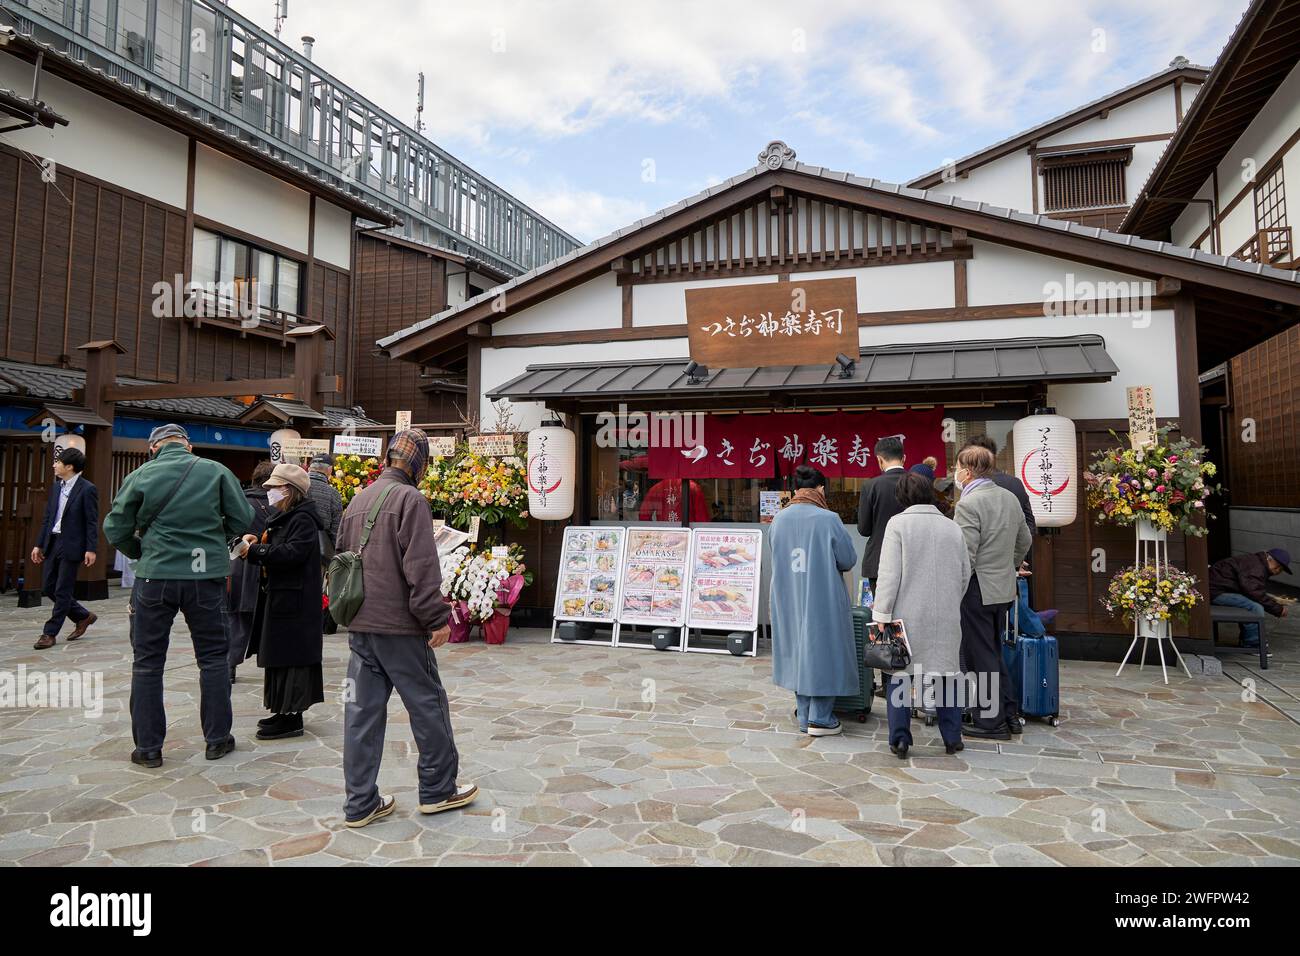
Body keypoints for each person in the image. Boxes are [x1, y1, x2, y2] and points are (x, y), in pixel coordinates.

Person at [335, 428, 477, 827]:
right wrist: (436, 618)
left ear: (386, 458)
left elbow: (342, 558)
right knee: (428, 706)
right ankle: (438, 790)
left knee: (361, 715)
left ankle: (359, 803)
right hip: (400, 627)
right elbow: (421, 567)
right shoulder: (411, 499)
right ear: (418, 465)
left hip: (361, 626)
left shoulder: (357, 501)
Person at [103, 424, 254, 768]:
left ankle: (149, 749)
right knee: (214, 658)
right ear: (187, 445)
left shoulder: (140, 475)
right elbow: (243, 518)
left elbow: (115, 527)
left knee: (147, 663)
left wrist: (140, 552)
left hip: (155, 577)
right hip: (206, 577)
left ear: (153, 447)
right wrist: (216, 540)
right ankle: (217, 740)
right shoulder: (215, 471)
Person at [870, 472, 971, 757]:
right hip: (947, 616)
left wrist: (882, 614)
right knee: (947, 675)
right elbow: (965, 573)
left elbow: (889, 574)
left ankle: (901, 739)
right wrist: (951, 601)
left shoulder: (898, 524)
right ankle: (953, 738)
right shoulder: (952, 527)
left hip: (906, 615)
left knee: (900, 676)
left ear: (902, 497)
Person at [769, 465, 860, 737]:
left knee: (797, 649)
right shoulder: (828, 518)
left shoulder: (779, 519)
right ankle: (820, 717)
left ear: (795, 489)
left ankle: (804, 714)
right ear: (821, 488)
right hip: (823, 596)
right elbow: (847, 559)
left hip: (787, 596)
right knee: (824, 651)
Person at [239, 463, 325, 740]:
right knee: (280, 658)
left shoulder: (303, 519)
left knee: (292, 659)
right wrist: (258, 541)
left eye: (275, 488)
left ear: (290, 490)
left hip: (295, 602)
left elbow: (291, 553)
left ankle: (292, 716)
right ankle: (281, 710)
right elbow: (279, 545)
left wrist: (255, 551)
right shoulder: (286, 516)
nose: (270, 493)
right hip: (282, 598)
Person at [953, 444, 1032, 740]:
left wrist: (956, 587)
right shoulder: (1009, 497)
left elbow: (965, 555)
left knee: (979, 655)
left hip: (976, 588)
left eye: (957, 466)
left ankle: (990, 721)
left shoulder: (969, 504)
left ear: (968, 471)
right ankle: (1008, 713)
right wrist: (1008, 567)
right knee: (994, 651)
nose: (955, 472)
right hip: (1003, 587)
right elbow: (1025, 539)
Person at [31, 447, 100, 650]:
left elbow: (91, 521)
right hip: (53, 542)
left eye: (57, 462)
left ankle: (49, 633)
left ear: (69, 466)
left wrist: (91, 548)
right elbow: (47, 519)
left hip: (73, 545)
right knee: (48, 588)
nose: (54, 465)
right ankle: (83, 616)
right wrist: (39, 544)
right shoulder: (56, 487)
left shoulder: (87, 489)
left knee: (62, 589)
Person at [228, 460, 276, 683]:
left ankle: (230, 663)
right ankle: (271, 665)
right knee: (270, 618)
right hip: (270, 564)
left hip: (239, 564)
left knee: (238, 617)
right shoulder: (279, 504)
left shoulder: (239, 502)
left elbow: (229, 535)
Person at [1209, 548, 1292, 648]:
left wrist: (1273, 600)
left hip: (1218, 589)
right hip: (1216, 591)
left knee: (1254, 603)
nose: (1278, 570)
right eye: (1278, 566)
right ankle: (1252, 642)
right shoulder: (1256, 567)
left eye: (1281, 569)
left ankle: (1249, 639)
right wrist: (1278, 609)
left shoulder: (1256, 563)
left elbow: (1253, 589)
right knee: (1255, 607)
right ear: (1269, 559)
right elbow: (1254, 592)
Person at [856, 436, 907, 589]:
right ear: (904, 458)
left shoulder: (871, 485)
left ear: (879, 460)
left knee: (882, 611)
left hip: (879, 559)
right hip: (911, 559)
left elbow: (864, 529)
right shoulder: (918, 482)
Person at [964, 434, 1035, 540]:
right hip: (1011, 552)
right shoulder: (1015, 483)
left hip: (980, 553)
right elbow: (1029, 524)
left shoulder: (972, 485)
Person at [307, 454, 343, 550]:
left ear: (309, 468)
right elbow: (336, 531)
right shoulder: (333, 494)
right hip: (319, 551)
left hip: (293, 547)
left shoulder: (297, 486)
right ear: (330, 470)